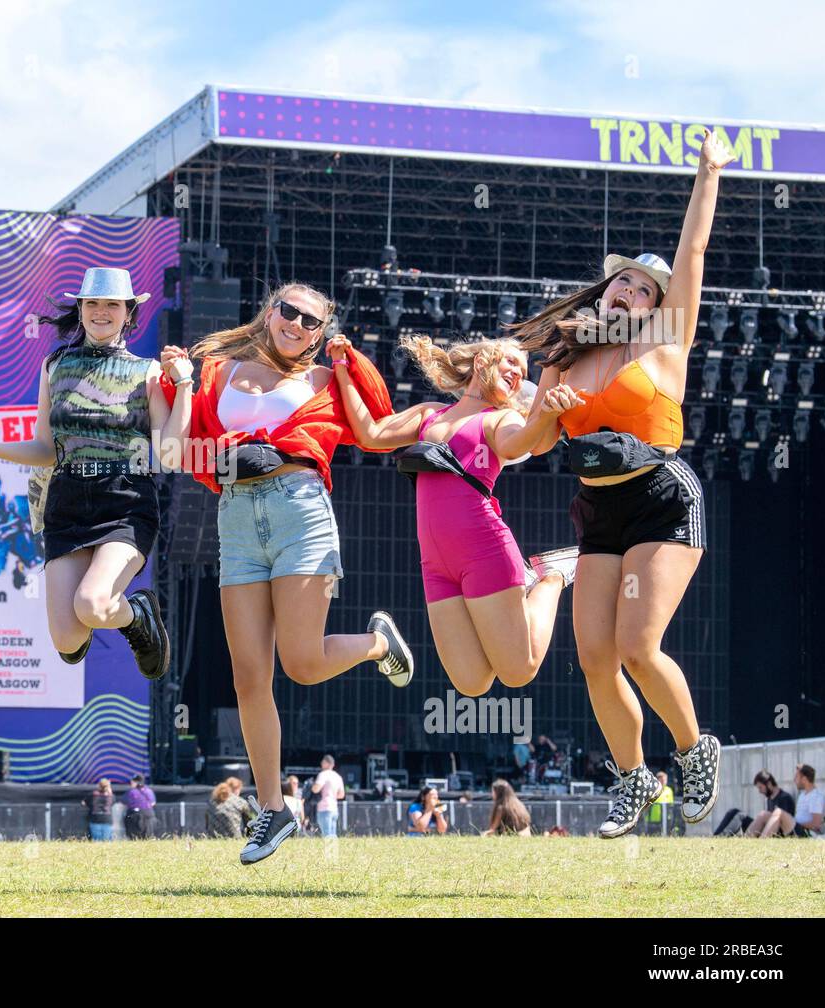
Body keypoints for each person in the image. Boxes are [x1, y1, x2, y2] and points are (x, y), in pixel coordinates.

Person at [513, 130, 738, 838]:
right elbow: (535, 444)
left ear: (655, 301)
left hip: (661, 501)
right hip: (597, 509)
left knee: (639, 647)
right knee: (594, 657)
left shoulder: (666, 341)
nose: (630, 289)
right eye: (623, 280)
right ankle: (635, 777)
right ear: (606, 289)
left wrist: (707, 174)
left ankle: (695, 750)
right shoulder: (563, 359)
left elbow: (693, 252)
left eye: (644, 285)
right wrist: (541, 415)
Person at [160, 281, 415, 866]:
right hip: (237, 520)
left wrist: (351, 362)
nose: (297, 324)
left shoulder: (325, 380)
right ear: (270, 311)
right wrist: (175, 381)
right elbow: (182, 451)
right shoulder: (218, 372)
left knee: (300, 663)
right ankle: (273, 809)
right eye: (289, 311)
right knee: (250, 676)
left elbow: (377, 426)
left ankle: (379, 643)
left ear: (320, 332)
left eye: (310, 321)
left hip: (300, 510)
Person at [329, 332, 577, 695]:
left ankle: (551, 577)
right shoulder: (431, 415)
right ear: (482, 361)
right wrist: (341, 368)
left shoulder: (499, 419)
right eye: (511, 362)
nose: (517, 373)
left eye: (523, 371)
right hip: (436, 563)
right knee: (472, 683)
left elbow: (517, 443)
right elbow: (370, 433)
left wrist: (546, 415)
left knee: (518, 672)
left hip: (485, 550)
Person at [0, 268, 191, 679]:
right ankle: (125, 615)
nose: (101, 311)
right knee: (67, 642)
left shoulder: (147, 372)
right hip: (67, 501)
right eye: (92, 303)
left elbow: (169, 454)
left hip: (125, 501)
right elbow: (45, 449)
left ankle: (137, 615)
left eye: (111, 304)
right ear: (80, 310)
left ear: (128, 313)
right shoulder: (54, 365)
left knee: (93, 605)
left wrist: (184, 386)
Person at [714, 771, 796, 836]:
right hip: (764, 828)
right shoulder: (770, 799)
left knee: (759, 815)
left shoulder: (785, 798)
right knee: (736, 813)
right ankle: (718, 835)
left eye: (760, 787)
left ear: (769, 784)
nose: (760, 791)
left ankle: (720, 837)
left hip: (775, 832)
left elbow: (784, 825)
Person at [759, 765, 825, 838]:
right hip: (796, 827)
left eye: (796, 777)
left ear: (804, 779)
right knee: (764, 814)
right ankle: (748, 843)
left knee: (779, 812)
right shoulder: (803, 795)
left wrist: (795, 822)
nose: (794, 780)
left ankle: (763, 841)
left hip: (807, 833)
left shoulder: (816, 796)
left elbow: (816, 825)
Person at [312, 755, 346, 838]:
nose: (321, 764)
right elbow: (341, 795)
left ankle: (329, 851)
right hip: (334, 808)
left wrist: (312, 787)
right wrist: (332, 795)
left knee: (326, 834)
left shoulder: (323, 775)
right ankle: (333, 851)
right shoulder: (338, 777)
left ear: (327, 763)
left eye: (323, 762)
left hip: (324, 808)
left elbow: (316, 789)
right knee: (332, 833)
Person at [122, 774, 156, 839]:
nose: (130, 783)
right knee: (147, 838)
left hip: (134, 816)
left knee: (134, 838)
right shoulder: (149, 791)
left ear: (136, 782)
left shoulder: (131, 792)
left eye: (132, 781)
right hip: (148, 815)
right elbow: (153, 803)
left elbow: (124, 803)